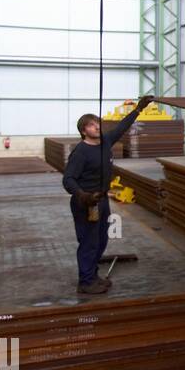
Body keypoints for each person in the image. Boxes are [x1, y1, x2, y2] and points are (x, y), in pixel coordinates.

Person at [63, 96, 154, 294]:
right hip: (85, 202)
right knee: (88, 241)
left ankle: (93, 275)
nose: (97, 127)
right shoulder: (81, 152)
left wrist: (138, 109)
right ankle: (85, 282)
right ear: (83, 131)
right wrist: (82, 195)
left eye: (97, 123)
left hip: (102, 200)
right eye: (91, 125)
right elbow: (68, 179)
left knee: (102, 239)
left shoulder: (106, 142)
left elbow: (123, 126)